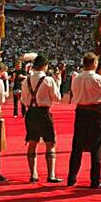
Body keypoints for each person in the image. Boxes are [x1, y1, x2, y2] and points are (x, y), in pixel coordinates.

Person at [67, 52, 101, 189]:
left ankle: (72, 177)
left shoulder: (77, 78)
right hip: (95, 113)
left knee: (77, 147)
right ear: (93, 63)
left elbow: (74, 93)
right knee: (96, 148)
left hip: (81, 112)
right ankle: (95, 180)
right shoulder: (98, 78)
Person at [22, 53, 63, 184]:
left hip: (31, 112)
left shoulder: (26, 80)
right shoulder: (48, 80)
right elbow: (57, 98)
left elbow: (23, 99)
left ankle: (33, 174)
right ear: (44, 66)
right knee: (50, 143)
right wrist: (58, 82)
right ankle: (51, 174)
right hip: (44, 113)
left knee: (32, 142)